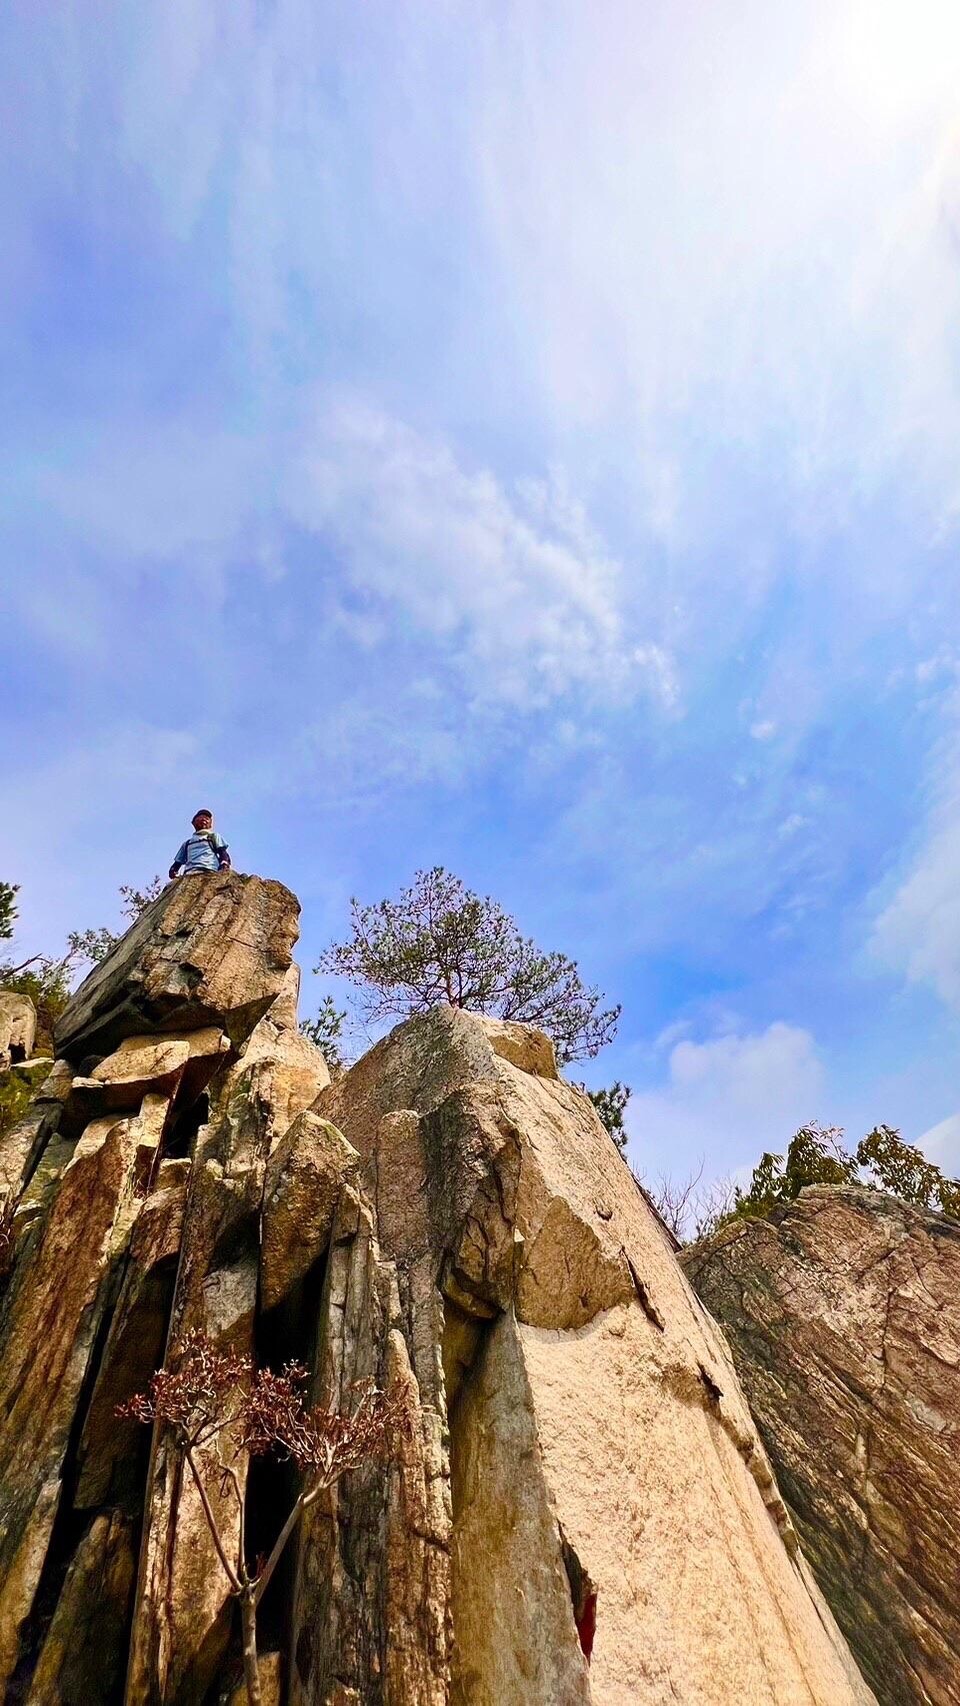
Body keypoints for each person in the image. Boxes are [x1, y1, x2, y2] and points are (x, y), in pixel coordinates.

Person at [169, 810, 232, 879]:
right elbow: (178, 862)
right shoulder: (187, 843)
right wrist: (173, 870)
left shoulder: (213, 836)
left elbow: (222, 852)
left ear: (210, 824)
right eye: (201, 817)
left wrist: (224, 863)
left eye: (207, 818)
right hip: (189, 873)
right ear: (193, 822)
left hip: (209, 870)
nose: (204, 819)